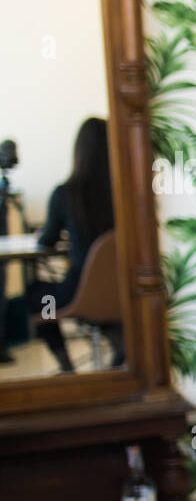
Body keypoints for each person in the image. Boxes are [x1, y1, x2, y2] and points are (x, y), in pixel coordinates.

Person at [18, 117, 122, 372]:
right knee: (103, 299)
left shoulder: (66, 193)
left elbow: (46, 241)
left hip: (78, 292)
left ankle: (66, 364)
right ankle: (118, 342)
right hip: (120, 290)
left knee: (39, 297)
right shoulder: (123, 192)